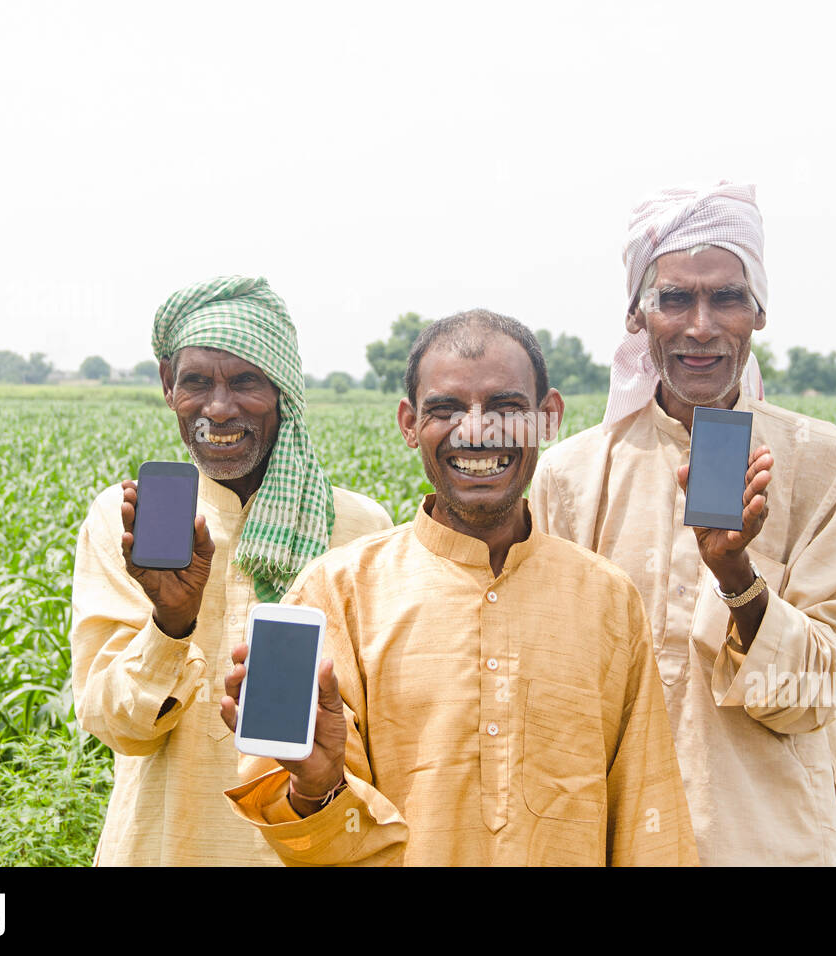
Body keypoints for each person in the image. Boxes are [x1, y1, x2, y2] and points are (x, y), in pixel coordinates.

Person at [219, 309, 697, 865]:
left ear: (549, 417)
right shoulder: (338, 591)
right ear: (408, 423)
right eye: (445, 410)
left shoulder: (608, 600)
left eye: (506, 408)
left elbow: (647, 817)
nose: (476, 431)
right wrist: (319, 783)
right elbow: (305, 840)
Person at [530, 182, 836, 866]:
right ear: (637, 317)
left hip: (769, 839)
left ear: (757, 313)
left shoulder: (827, 469)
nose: (700, 325)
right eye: (674, 298)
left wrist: (737, 580)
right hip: (618, 838)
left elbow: (819, 690)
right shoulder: (571, 477)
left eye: (725, 297)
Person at [69, 275, 392, 865]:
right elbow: (114, 724)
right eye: (196, 381)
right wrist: (171, 623)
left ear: (283, 390)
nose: (219, 408)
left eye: (245, 381)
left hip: (305, 846)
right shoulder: (124, 524)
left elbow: (379, 728)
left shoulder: (359, 528)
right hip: (162, 845)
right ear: (169, 386)